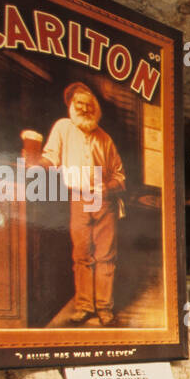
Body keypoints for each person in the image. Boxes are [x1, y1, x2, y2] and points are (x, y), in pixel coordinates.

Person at [41, 82, 126, 327]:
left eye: (90, 104)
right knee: (82, 255)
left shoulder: (105, 139)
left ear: (96, 109)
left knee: (106, 256)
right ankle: (84, 307)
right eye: (80, 103)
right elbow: (50, 158)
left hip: (104, 200)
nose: (85, 108)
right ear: (71, 106)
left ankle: (104, 308)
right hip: (78, 196)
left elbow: (120, 176)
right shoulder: (63, 128)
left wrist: (108, 188)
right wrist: (35, 162)